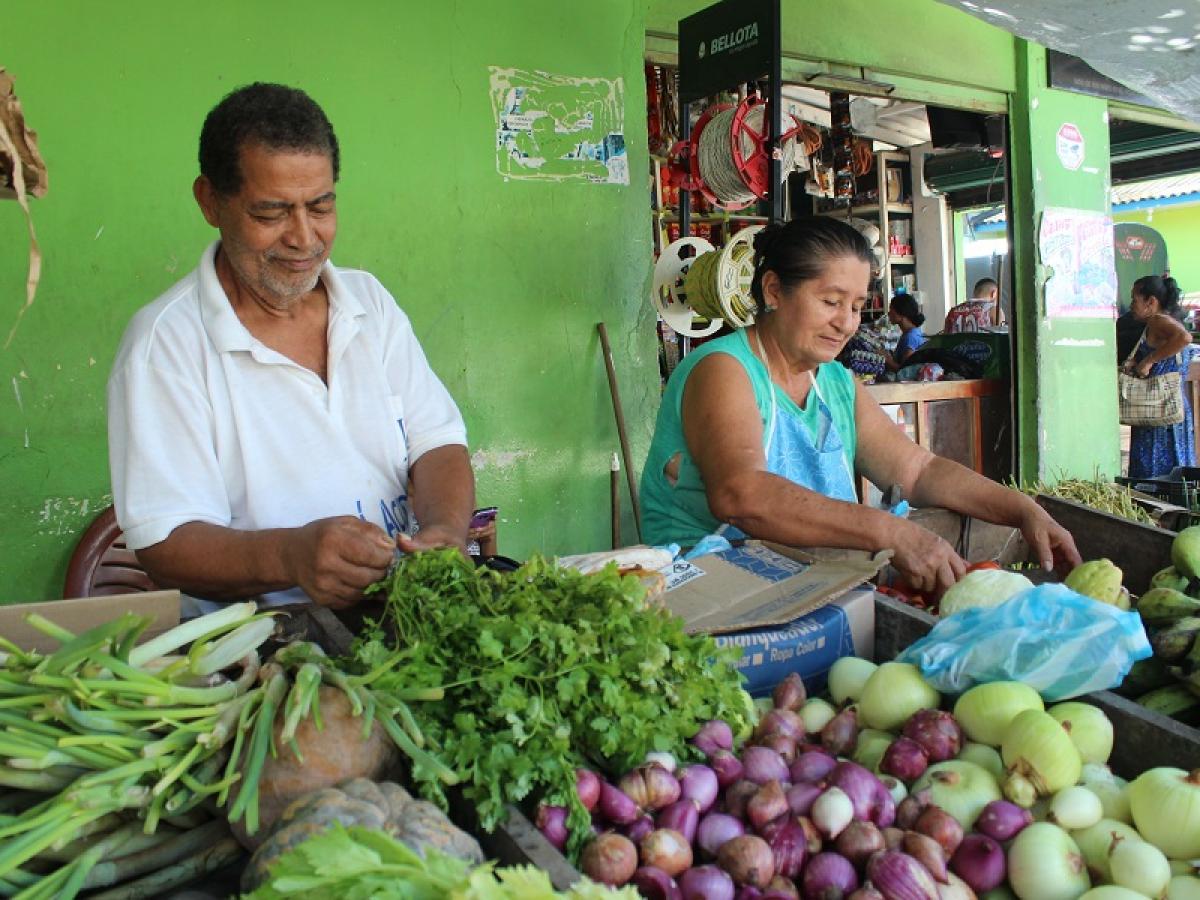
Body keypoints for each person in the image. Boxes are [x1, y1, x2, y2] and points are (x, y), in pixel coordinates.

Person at [107, 83, 475, 612]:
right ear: (210, 201)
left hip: (394, 616)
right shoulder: (164, 345)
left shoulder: (368, 302)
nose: (304, 238)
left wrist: (443, 531)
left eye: (320, 206)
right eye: (271, 213)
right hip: (261, 648)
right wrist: (290, 555)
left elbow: (437, 443)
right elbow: (163, 541)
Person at [640, 217, 1080, 597]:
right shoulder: (724, 370)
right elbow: (742, 495)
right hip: (711, 600)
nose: (847, 323)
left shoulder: (834, 382)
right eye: (831, 302)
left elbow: (916, 471)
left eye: (856, 306)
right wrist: (890, 531)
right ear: (773, 290)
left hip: (811, 589)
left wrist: (1022, 509)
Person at [1124, 275, 1196, 479]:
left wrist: (1149, 361)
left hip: (1157, 408)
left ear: (1151, 302)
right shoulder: (1168, 319)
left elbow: (1184, 338)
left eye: (1134, 299)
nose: (1131, 305)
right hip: (1174, 407)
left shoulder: (1157, 320)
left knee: (1152, 472)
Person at [884, 292, 926, 372]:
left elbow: (904, 371)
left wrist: (886, 359)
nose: (889, 313)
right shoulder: (910, 333)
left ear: (901, 314)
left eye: (891, 310)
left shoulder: (911, 337)